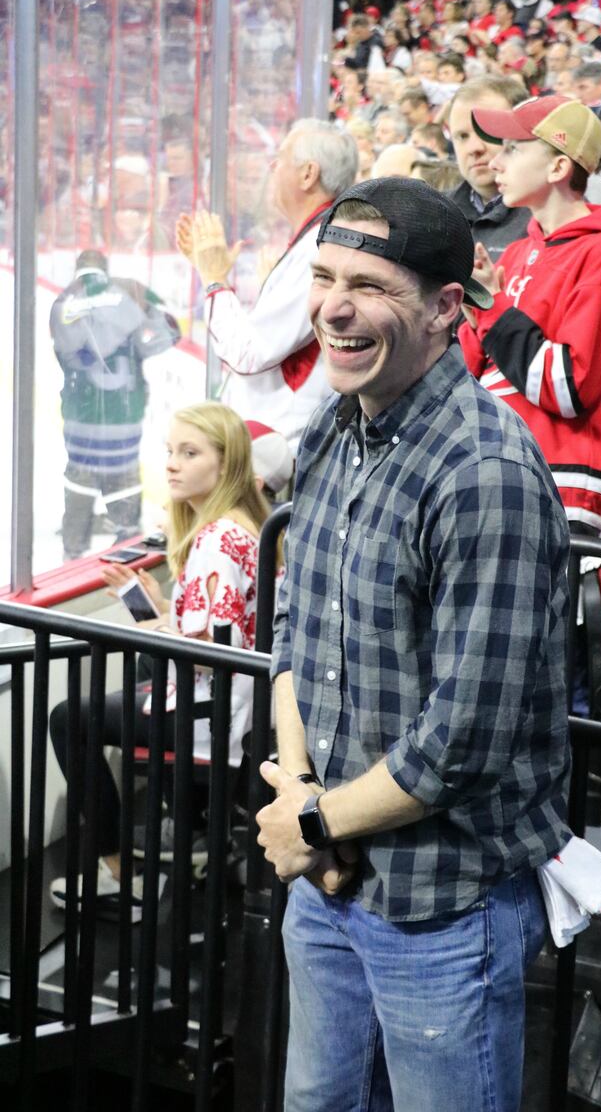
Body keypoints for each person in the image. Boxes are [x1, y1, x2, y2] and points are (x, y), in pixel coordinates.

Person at [256, 176, 571, 1112]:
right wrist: (300, 793)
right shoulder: (331, 432)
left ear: (443, 310)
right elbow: (294, 636)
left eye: (371, 286)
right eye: (324, 276)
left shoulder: (486, 472)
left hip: (440, 904)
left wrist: (312, 824)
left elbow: (461, 740)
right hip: (326, 885)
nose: (335, 309)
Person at [49, 402, 270, 918]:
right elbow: (219, 621)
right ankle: (166, 840)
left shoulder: (217, 540)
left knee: (69, 720)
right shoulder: (238, 529)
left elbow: (217, 649)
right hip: (220, 705)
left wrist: (157, 627)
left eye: (189, 453)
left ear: (225, 464)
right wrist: (161, 611)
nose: (171, 463)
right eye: (170, 451)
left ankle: (120, 876)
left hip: (209, 715)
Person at [459, 95, 601, 532]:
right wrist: (475, 309)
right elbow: (476, 372)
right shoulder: (520, 249)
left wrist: (493, 312)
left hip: (557, 484)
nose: (495, 162)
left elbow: (567, 385)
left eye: (513, 148)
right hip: (495, 463)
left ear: (558, 168)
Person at [176, 120, 359, 453]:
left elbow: (249, 353)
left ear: (308, 174)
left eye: (281, 157)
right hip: (276, 445)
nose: (272, 166)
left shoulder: (320, 246)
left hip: (281, 451)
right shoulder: (320, 236)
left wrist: (214, 279)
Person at [49, 249, 180, 561]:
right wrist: (141, 349)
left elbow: (65, 355)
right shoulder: (130, 291)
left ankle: (72, 552)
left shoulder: (62, 301)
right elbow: (171, 329)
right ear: (106, 267)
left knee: (79, 483)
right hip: (125, 416)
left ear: (76, 268)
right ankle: (126, 543)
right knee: (123, 484)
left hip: (81, 419)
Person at [445, 74, 531, 260]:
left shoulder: (552, 211)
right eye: (462, 136)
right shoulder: (433, 213)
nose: (474, 148)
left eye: (486, 132)